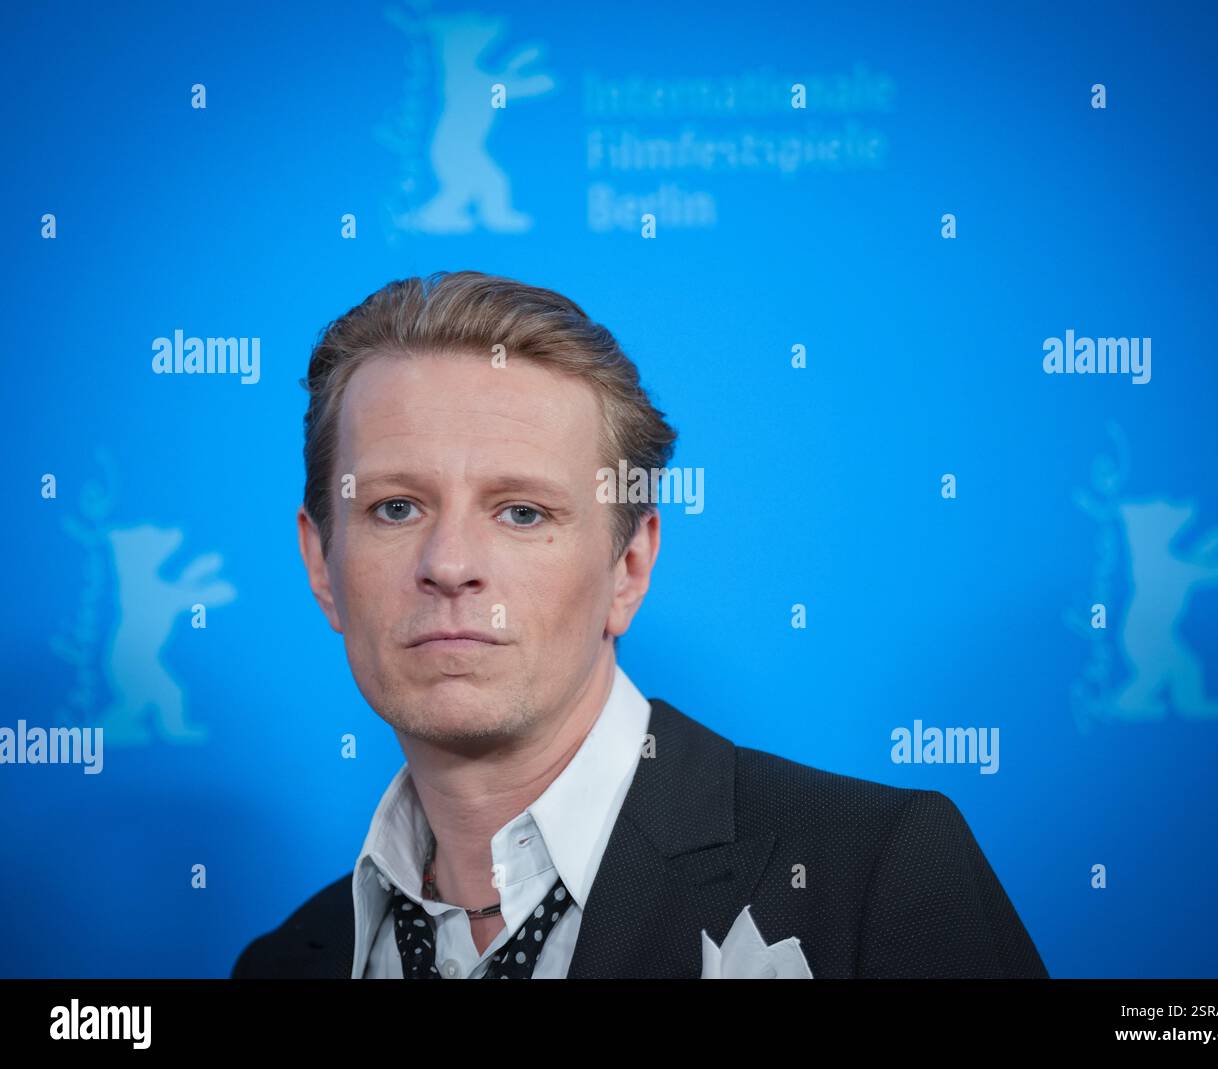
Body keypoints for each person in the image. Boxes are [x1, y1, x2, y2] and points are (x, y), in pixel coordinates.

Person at [230, 270, 1049, 979]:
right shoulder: (286, 959)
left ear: (629, 567)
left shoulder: (875, 876)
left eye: (521, 511)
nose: (448, 563)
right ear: (320, 563)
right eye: (395, 506)